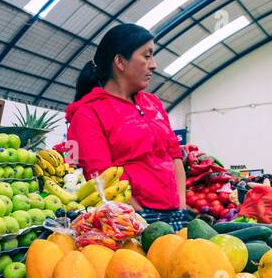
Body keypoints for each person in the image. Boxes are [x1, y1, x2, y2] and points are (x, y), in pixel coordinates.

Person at [65, 24, 187, 227]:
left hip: (175, 214)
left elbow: (174, 155)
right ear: (120, 62)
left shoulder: (153, 103)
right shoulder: (87, 113)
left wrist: (180, 205)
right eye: (147, 56)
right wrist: (141, 219)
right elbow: (100, 176)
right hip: (130, 220)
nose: (154, 65)